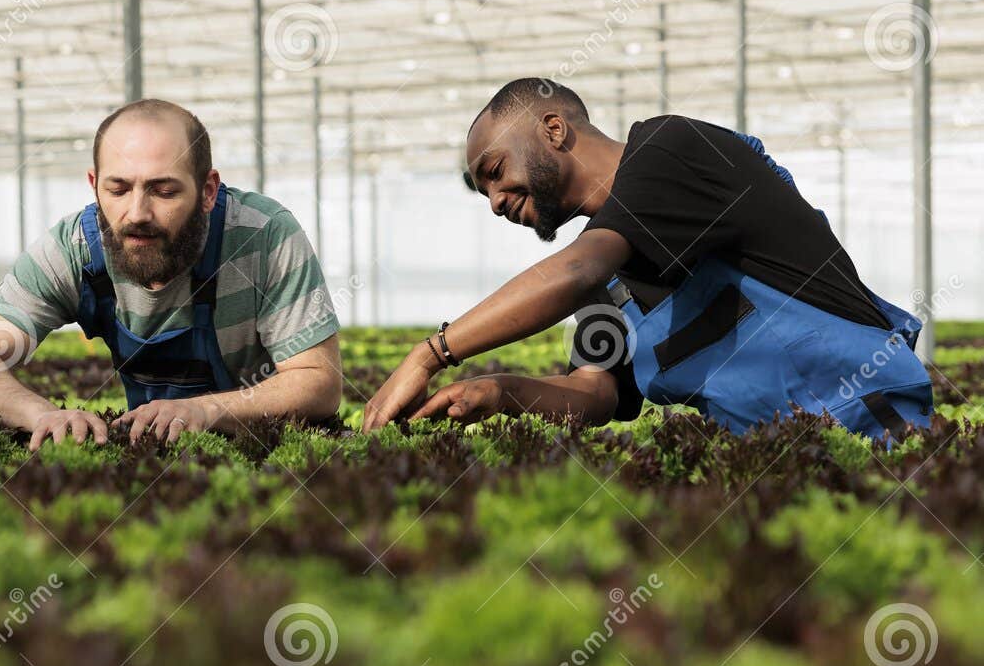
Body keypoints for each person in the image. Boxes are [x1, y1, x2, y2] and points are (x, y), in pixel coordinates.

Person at [362, 79, 934, 442]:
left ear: (554, 129)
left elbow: (575, 269)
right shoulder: (605, 279)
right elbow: (597, 392)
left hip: (869, 421)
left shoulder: (673, 150)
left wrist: (432, 354)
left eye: (494, 172)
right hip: (775, 453)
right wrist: (497, 391)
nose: (494, 202)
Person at [0, 98, 342, 450]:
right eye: (118, 189)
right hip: (154, 452)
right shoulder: (76, 249)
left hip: (257, 453)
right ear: (94, 186)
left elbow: (318, 380)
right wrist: (41, 414)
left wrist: (205, 409)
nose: (137, 214)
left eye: (164, 191)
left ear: (208, 190)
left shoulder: (262, 237)